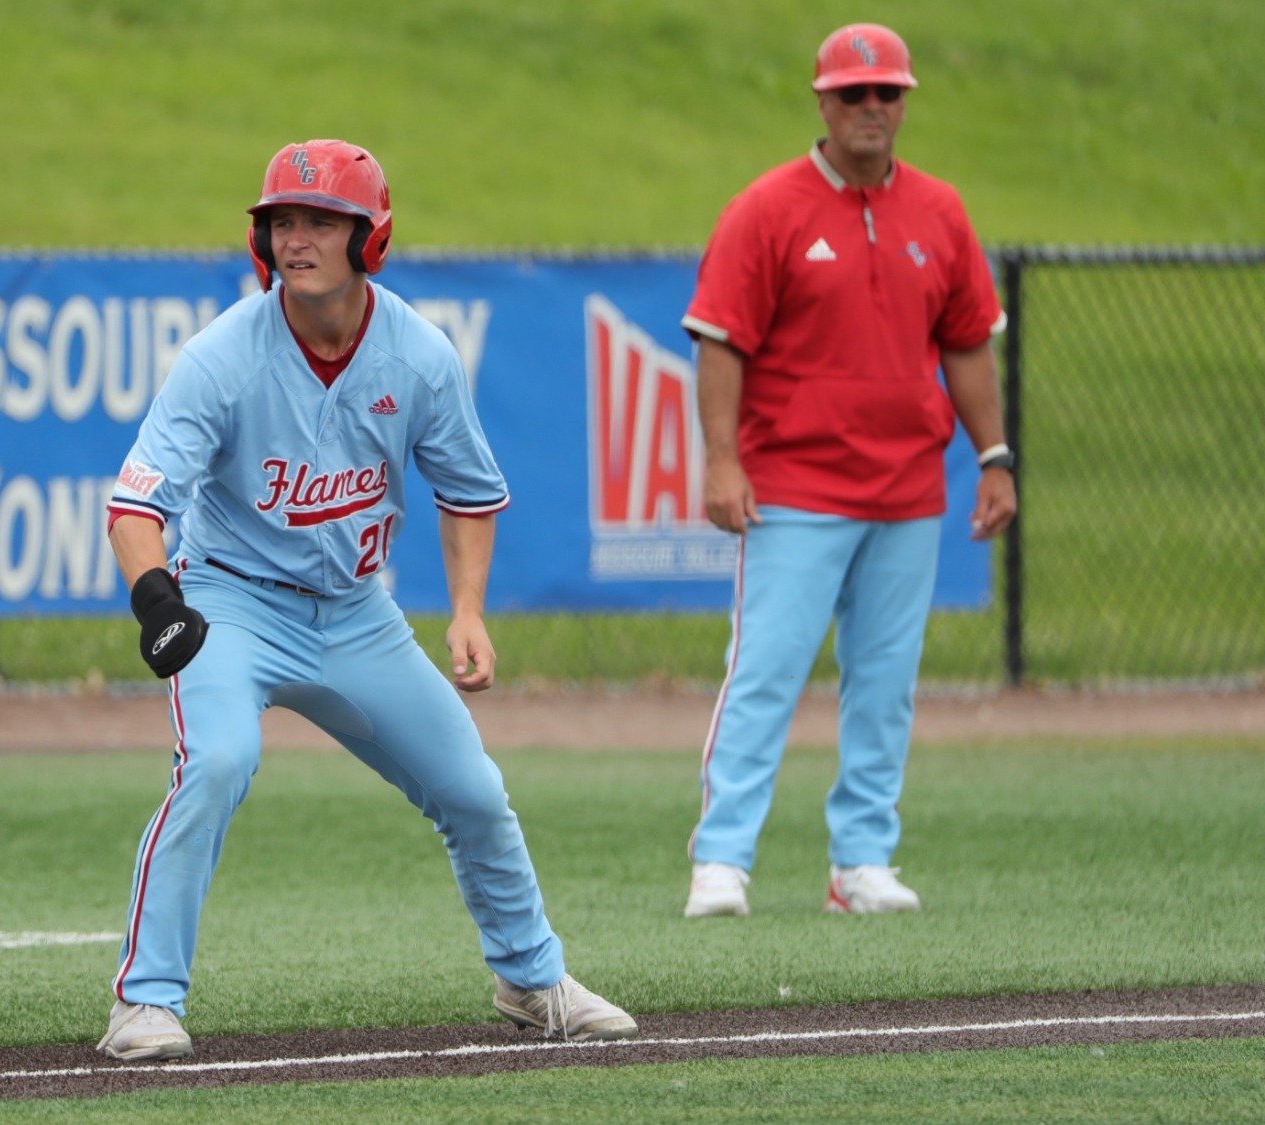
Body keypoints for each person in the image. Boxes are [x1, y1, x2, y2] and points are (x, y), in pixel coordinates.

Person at [96, 139, 637, 1060]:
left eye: (321, 221)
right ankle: (143, 1001)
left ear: (369, 237)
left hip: (355, 612)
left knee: (471, 788)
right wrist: (160, 603)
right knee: (218, 761)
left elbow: (467, 493)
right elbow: (136, 504)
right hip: (233, 600)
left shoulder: (419, 356)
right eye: (282, 221)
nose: (297, 238)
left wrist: (466, 611)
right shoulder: (221, 357)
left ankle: (530, 977)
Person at [679, 24, 1017, 918]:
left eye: (889, 93)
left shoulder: (940, 211)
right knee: (765, 671)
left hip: (909, 488)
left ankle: (861, 861)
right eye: (855, 93)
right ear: (823, 102)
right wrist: (723, 462)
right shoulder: (767, 208)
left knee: (886, 679)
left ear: (904, 103)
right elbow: (720, 343)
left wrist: (993, 458)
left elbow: (969, 344)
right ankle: (721, 860)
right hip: (795, 486)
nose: (873, 108)